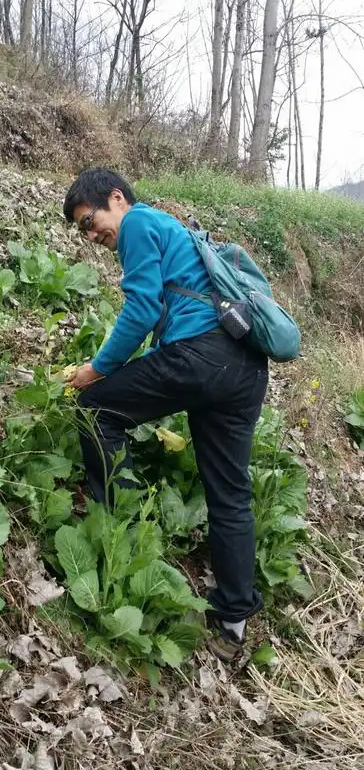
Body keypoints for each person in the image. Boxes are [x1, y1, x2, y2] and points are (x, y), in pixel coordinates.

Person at [63, 167, 268, 661]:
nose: (91, 236)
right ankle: (233, 620)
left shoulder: (138, 223)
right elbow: (165, 317)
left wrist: (95, 370)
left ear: (117, 198)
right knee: (230, 494)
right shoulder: (171, 230)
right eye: (82, 230)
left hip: (201, 356)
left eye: (89, 221)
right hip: (245, 366)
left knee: (95, 409)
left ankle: (123, 532)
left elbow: (140, 310)